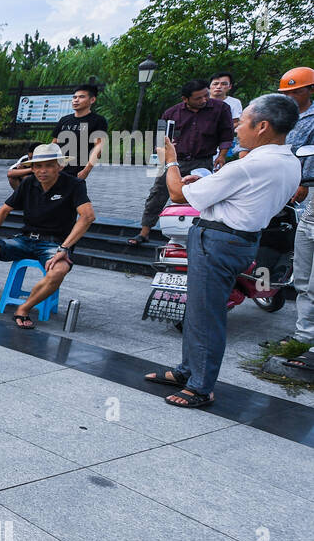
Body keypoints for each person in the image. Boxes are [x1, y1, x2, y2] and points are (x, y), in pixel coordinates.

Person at [142, 95, 301, 408]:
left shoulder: (250, 165)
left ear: (263, 126)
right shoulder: (289, 161)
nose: (236, 127)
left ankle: (200, 387)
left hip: (218, 241)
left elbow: (176, 194)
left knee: (205, 315)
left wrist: (170, 160)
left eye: (242, 122)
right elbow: (248, 197)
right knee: (201, 311)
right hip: (241, 239)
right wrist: (207, 181)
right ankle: (189, 370)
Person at [0, 144, 95, 327]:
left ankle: (24, 308)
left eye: (48, 165)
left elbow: (87, 217)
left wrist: (65, 248)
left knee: (59, 270)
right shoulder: (29, 183)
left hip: (55, 244)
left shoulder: (74, 184)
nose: (42, 171)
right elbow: (3, 210)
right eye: (38, 166)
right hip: (24, 239)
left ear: (59, 166)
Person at [128, 80, 235, 246]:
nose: (204, 100)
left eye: (206, 95)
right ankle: (144, 231)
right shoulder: (172, 112)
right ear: (186, 99)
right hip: (174, 160)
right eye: (198, 98)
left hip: (202, 160)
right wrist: (162, 148)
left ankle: (197, 234)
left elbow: (227, 134)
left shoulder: (220, 109)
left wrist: (222, 155)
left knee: (201, 198)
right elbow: (160, 137)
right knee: (158, 193)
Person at [274, 67, 314, 367]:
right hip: (297, 201)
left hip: (307, 190)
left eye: (295, 91)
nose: (289, 97)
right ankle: (303, 335)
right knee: (302, 274)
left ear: (309, 90)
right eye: (285, 92)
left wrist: (302, 181)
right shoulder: (281, 116)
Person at [8, 84, 106, 189]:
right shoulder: (65, 119)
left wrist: (86, 170)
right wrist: (32, 163)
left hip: (73, 168)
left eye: (81, 97)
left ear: (92, 100)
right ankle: (27, 203)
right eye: (74, 97)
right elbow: (53, 144)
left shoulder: (97, 121)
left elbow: (98, 148)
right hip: (54, 165)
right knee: (14, 176)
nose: (76, 100)